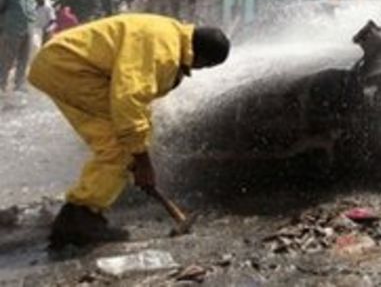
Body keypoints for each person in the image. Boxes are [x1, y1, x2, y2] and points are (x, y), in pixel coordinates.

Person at [28, 13, 231, 248]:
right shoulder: (164, 53)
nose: (199, 70)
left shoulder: (170, 36)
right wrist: (142, 161)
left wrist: (139, 156)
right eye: (204, 66)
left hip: (60, 64)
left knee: (120, 142)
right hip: (70, 68)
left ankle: (77, 218)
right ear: (203, 59)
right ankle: (79, 220)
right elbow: (128, 101)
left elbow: (135, 101)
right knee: (122, 146)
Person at [0, 0, 37, 93]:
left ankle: (19, 85)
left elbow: (32, 10)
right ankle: (1, 83)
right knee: (7, 58)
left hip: (29, 29)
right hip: (12, 29)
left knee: (24, 58)